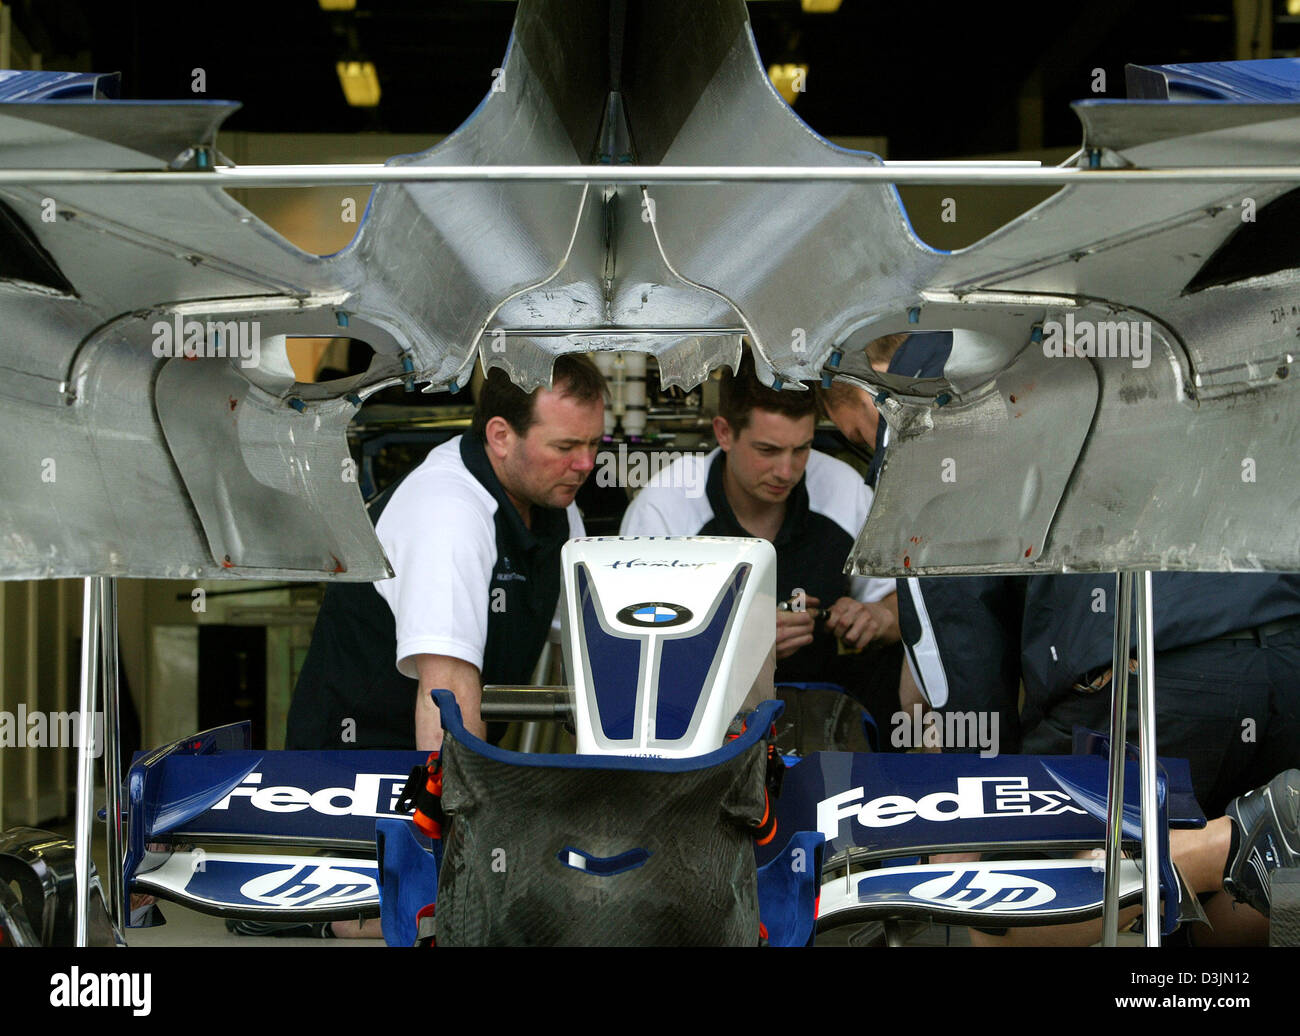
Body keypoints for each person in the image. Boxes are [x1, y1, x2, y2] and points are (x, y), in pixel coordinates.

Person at [821, 333, 1300, 944]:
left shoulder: (922, 387)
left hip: (1148, 673)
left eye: (863, 439)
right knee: (1261, 901)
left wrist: (980, 793)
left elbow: (951, 611)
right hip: (1283, 650)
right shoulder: (1155, 329)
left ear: (866, 381)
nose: (875, 448)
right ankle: (1255, 837)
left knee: (999, 924)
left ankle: (1219, 844)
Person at [286, 354, 607, 753]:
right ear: (501, 436)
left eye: (595, 443)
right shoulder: (447, 511)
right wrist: (465, 810)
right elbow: (446, 701)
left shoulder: (555, 505)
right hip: (355, 766)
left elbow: (583, 654)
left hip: (454, 754)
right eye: (566, 446)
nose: (585, 464)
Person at [619, 348, 900, 717]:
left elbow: (901, 605)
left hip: (821, 704)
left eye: (801, 449)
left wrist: (878, 618)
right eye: (767, 450)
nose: (786, 471)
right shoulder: (666, 507)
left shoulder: (842, 489)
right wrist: (737, 641)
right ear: (724, 433)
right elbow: (627, 645)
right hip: (700, 710)